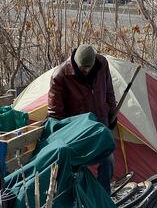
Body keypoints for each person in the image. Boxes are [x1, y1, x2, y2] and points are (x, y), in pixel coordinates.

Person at [47, 44, 118, 193]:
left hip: (99, 127)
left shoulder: (101, 64)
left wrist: (111, 113)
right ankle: (77, 200)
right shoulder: (60, 76)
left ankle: (103, 198)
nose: (86, 71)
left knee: (108, 161)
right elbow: (55, 116)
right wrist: (64, 137)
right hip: (77, 134)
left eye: (89, 67)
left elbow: (109, 92)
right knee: (76, 169)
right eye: (83, 68)